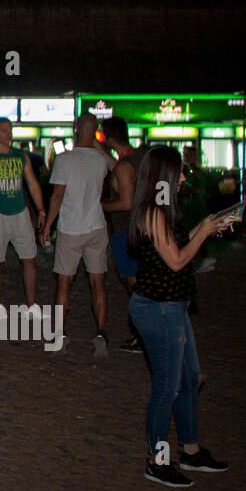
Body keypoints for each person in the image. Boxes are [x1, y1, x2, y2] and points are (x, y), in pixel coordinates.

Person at [126, 146, 228, 487]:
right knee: (167, 387)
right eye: (179, 172)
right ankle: (157, 460)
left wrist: (205, 229)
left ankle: (191, 449)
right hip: (157, 308)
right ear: (163, 177)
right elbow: (177, 261)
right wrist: (203, 230)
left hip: (174, 305)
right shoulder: (153, 212)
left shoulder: (166, 208)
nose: (184, 177)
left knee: (190, 379)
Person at [40, 113, 116, 354]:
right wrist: (97, 144)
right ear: (96, 133)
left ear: (75, 129)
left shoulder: (65, 160)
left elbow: (58, 196)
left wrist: (47, 226)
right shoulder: (101, 161)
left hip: (71, 229)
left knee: (64, 282)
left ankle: (60, 335)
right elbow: (117, 167)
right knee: (98, 283)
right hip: (96, 226)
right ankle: (101, 334)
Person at [0, 118, 46, 316]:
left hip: (19, 211)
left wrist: (41, 211)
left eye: (10, 130)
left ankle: (31, 305)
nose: (9, 134)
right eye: (4, 130)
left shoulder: (20, 156)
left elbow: (32, 184)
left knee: (29, 257)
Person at [101, 117, 143, 351]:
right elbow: (112, 163)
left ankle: (145, 333)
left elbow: (126, 203)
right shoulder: (133, 158)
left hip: (125, 230)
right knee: (138, 281)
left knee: (134, 284)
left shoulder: (125, 166)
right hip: (137, 228)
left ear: (108, 136)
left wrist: (99, 206)